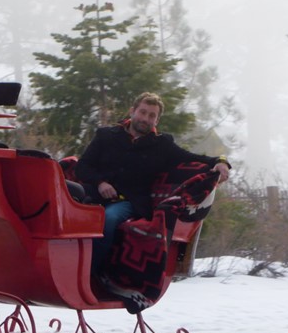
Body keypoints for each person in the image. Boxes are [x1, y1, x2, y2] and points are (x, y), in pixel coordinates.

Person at [75, 92, 231, 277]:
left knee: (108, 219)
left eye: (151, 115)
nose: (145, 118)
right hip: (94, 193)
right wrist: (100, 182)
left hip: (128, 202)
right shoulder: (106, 135)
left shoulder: (162, 145)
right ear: (132, 111)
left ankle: (90, 275)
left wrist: (221, 161)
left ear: (156, 121)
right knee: (66, 196)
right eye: (142, 112)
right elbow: (82, 166)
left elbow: (195, 159)